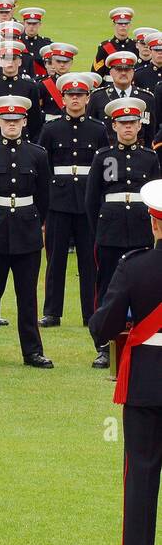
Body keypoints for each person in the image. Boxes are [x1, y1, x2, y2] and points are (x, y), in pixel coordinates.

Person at [89, 178, 162, 545]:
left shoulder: (133, 267)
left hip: (146, 385)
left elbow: (103, 326)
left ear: (154, 223)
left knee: (140, 483)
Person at [0, 96, 53, 368]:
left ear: (25, 122)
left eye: (16, 120)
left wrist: (34, 221)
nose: (12, 125)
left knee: (27, 296)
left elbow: (44, 197)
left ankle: (32, 352)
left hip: (26, 230)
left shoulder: (38, 154)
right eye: (7, 120)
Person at [87, 96, 162, 367]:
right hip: (110, 231)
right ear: (114, 126)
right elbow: (91, 200)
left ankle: (140, 336)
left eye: (132, 122)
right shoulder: (103, 157)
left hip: (141, 230)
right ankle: (104, 345)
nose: (128, 128)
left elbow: (155, 195)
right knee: (106, 287)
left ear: (140, 126)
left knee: (143, 286)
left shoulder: (149, 158)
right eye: (122, 123)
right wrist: (99, 232)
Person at [37, 72, 107, 337]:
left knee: (90, 262)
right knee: (55, 260)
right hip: (58, 202)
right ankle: (52, 312)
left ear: (88, 98)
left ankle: (91, 312)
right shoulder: (51, 129)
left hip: (88, 204)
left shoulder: (99, 129)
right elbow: (43, 169)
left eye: (80, 95)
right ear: (62, 98)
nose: (75, 99)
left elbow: (103, 169)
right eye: (70, 95)